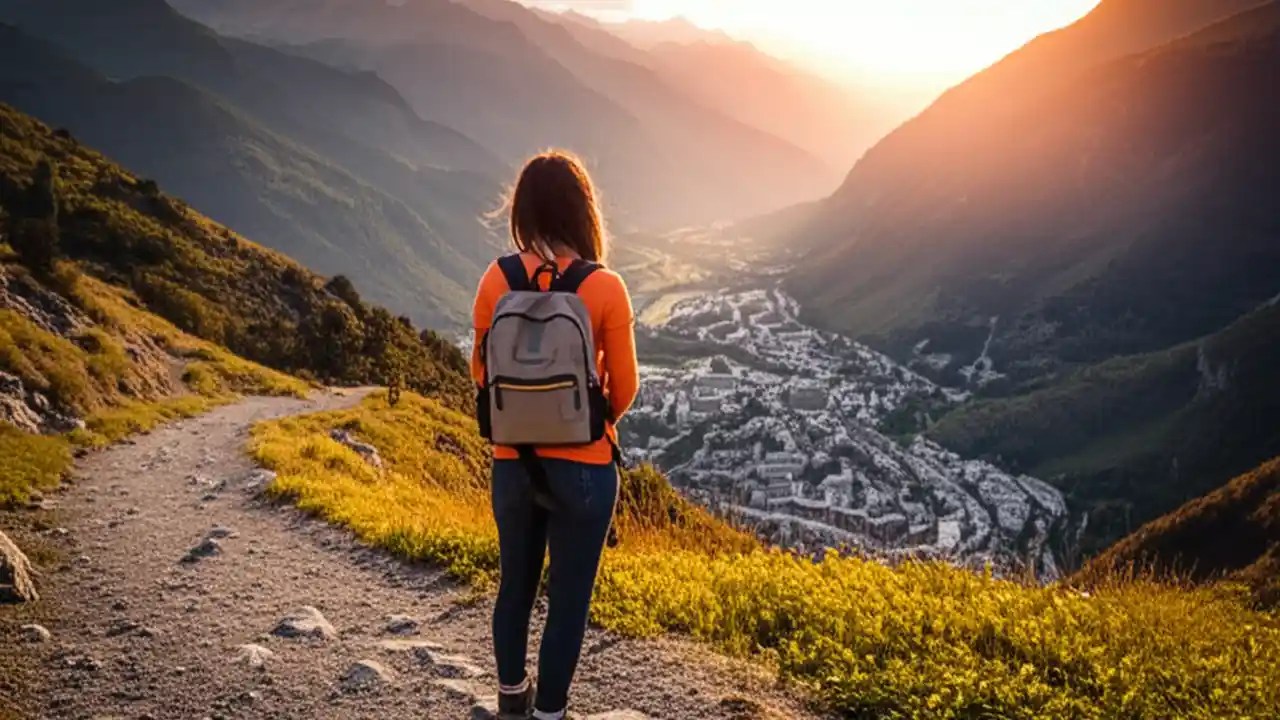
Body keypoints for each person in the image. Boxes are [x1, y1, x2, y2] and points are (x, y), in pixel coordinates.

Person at [470, 150, 639, 720]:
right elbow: (626, 388)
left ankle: (511, 702)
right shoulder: (605, 287)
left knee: (514, 584)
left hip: (512, 459)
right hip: (586, 467)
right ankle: (552, 714)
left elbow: (479, 372)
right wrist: (587, 419)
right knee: (568, 599)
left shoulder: (497, 279)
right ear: (583, 211)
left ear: (522, 211)